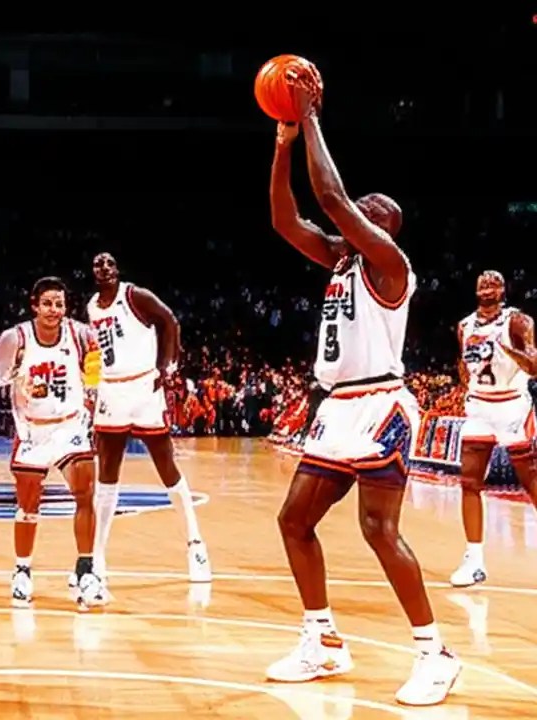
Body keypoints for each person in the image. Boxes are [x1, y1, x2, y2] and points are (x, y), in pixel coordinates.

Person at [266, 70, 460, 706]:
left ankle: (435, 654)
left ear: (385, 230)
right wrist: (283, 142)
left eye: (374, 210)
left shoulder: (389, 264)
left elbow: (330, 199)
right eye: (363, 205)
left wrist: (311, 115)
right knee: (295, 520)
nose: (363, 207)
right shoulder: (340, 260)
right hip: (338, 406)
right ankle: (322, 641)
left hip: (380, 403)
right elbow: (285, 219)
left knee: (378, 528)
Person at [85, 251, 210, 585]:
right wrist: (91, 386)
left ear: (117, 269)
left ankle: (195, 545)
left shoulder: (134, 295)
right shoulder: (92, 307)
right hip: (111, 390)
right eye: (98, 264)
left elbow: (169, 320)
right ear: (92, 272)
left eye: (110, 263)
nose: (104, 268)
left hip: (143, 386)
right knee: (106, 474)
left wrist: (167, 366)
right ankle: (97, 555)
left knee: (166, 466)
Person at [0, 276, 101, 611]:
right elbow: (2, 377)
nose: (54, 310)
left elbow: (94, 377)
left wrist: (91, 406)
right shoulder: (16, 338)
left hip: (70, 426)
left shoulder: (82, 335)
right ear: (34, 305)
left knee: (86, 491)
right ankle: (22, 570)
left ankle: (86, 570)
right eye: (48, 303)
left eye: (59, 303)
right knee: (28, 504)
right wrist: (24, 381)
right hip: (33, 430)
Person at [451, 270, 537, 587]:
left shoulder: (517, 322)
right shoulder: (464, 326)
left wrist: (507, 350)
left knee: (530, 479)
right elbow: (463, 366)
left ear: (503, 290)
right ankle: (474, 560)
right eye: (482, 283)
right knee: (469, 481)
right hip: (479, 406)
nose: (487, 287)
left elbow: (534, 366)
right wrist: (467, 381)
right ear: (476, 290)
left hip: (512, 404)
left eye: (494, 283)